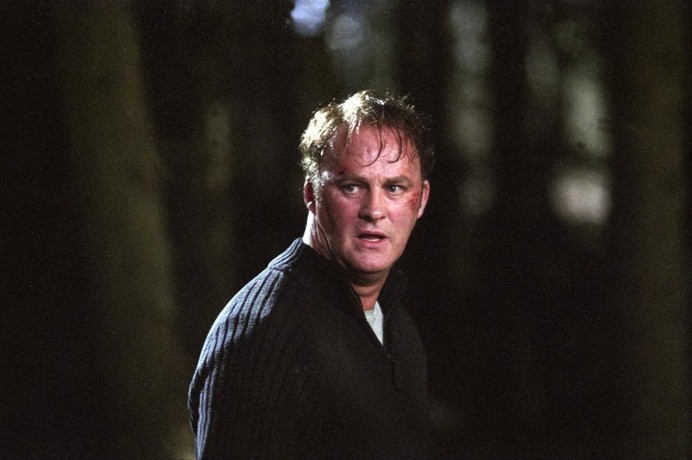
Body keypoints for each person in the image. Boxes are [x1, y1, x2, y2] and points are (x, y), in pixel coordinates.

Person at [188, 89, 434, 459]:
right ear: (311, 193)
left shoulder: (395, 324)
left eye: (394, 187)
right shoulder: (265, 334)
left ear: (421, 200)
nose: (374, 210)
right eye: (351, 186)